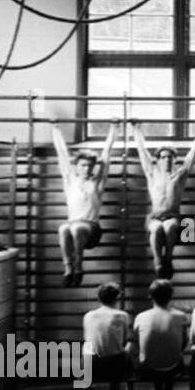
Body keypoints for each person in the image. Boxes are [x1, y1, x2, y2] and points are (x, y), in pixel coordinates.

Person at [131, 119, 195, 279]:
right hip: (155, 216)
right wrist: (136, 129)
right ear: (158, 159)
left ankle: (168, 258)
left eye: (170, 157)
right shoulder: (152, 173)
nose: (167, 160)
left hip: (173, 216)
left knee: (170, 227)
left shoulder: (180, 175)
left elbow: (192, 154)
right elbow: (142, 151)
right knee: (157, 229)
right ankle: (158, 261)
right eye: (164, 157)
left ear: (174, 159)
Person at [48, 114, 117, 286]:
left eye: (90, 166)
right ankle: (68, 268)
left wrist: (113, 129)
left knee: (76, 227)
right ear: (77, 167)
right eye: (83, 165)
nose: (87, 168)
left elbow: (107, 154)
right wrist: (55, 128)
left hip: (92, 229)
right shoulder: (70, 180)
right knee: (64, 228)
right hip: (73, 226)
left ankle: (79, 266)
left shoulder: (97, 182)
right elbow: (62, 154)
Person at [131, 279, 191, 390]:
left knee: (145, 353)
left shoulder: (141, 317)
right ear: (171, 296)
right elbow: (184, 343)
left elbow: (137, 343)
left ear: (150, 296)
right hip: (174, 368)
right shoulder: (180, 316)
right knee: (174, 353)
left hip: (147, 369)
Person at [82, 283, 133, 390]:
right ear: (117, 298)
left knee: (87, 350)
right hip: (113, 363)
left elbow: (87, 337)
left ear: (99, 298)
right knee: (125, 352)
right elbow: (125, 340)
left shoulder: (88, 315)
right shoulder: (122, 315)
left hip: (93, 363)